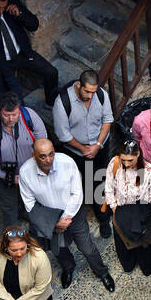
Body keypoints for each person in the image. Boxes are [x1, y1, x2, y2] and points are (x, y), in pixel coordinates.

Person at [19, 138, 115, 291]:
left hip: (73, 215)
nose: (48, 160)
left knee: (87, 247)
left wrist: (66, 218)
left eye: (51, 154)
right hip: (49, 219)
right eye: (43, 156)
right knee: (58, 250)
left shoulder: (67, 163)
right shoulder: (25, 172)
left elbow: (77, 193)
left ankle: (102, 272)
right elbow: (29, 204)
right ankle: (68, 268)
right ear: (34, 156)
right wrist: (53, 223)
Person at [52, 69, 113, 237]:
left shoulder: (101, 95)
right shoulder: (63, 102)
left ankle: (103, 218)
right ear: (79, 85)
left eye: (93, 91)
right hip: (77, 150)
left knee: (100, 179)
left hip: (99, 145)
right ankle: (87, 210)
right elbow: (63, 134)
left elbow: (107, 119)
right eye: (87, 91)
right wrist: (84, 149)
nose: (91, 95)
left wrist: (98, 145)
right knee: (86, 182)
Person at [0, 0, 59, 107]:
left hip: (22, 54)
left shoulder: (12, 5)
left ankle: (51, 103)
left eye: (3, 7)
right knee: (13, 96)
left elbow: (34, 25)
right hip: (3, 63)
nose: (0, 11)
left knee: (52, 72)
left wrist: (19, 14)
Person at [104, 136, 151, 275]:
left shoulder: (149, 171)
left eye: (130, 160)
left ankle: (145, 265)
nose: (126, 164)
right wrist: (114, 207)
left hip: (140, 213)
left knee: (144, 247)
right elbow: (109, 188)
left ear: (138, 154)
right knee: (123, 247)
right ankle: (129, 263)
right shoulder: (114, 163)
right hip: (120, 211)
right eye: (123, 160)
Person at [0, 91, 47, 191]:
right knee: (10, 205)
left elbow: (43, 142)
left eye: (15, 114)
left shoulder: (30, 116)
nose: (11, 119)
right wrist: (5, 176)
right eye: (6, 115)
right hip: (4, 175)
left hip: (34, 170)